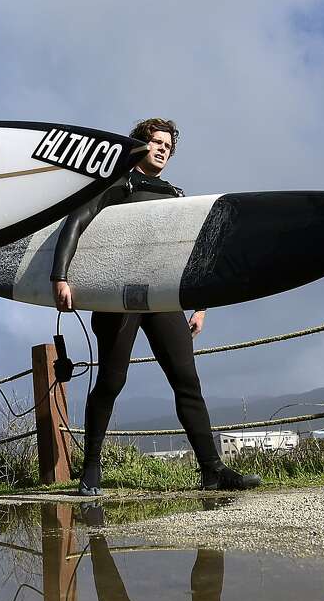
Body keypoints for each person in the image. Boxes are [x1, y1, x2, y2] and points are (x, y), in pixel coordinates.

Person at [51, 118, 261, 495]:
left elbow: (189, 254)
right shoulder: (118, 183)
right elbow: (76, 222)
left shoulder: (175, 195)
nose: (163, 149)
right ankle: (91, 468)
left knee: (187, 382)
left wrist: (200, 305)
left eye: (168, 145)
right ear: (139, 146)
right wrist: (60, 276)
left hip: (163, 298)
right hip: (120, 296)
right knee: (112, 381)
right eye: (156, 143)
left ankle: (212, 470)